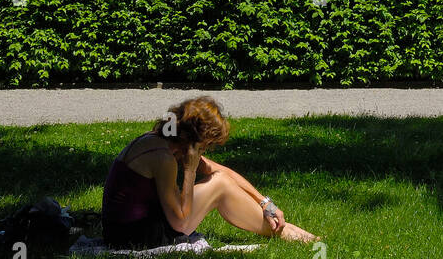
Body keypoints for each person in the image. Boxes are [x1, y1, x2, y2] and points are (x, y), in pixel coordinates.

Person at [102, 96, 318, 249]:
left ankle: (282, 228)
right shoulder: (163, 158)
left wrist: (266, 203)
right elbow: (179, 222)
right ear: (195, 140)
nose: (206, 150)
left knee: (221, 180)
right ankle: (284, 232)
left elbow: (220, 171)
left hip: (125, 231)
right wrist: (189, 170)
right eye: (206, 145)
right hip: (134, 238)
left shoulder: (163, 141)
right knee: (220, 186)